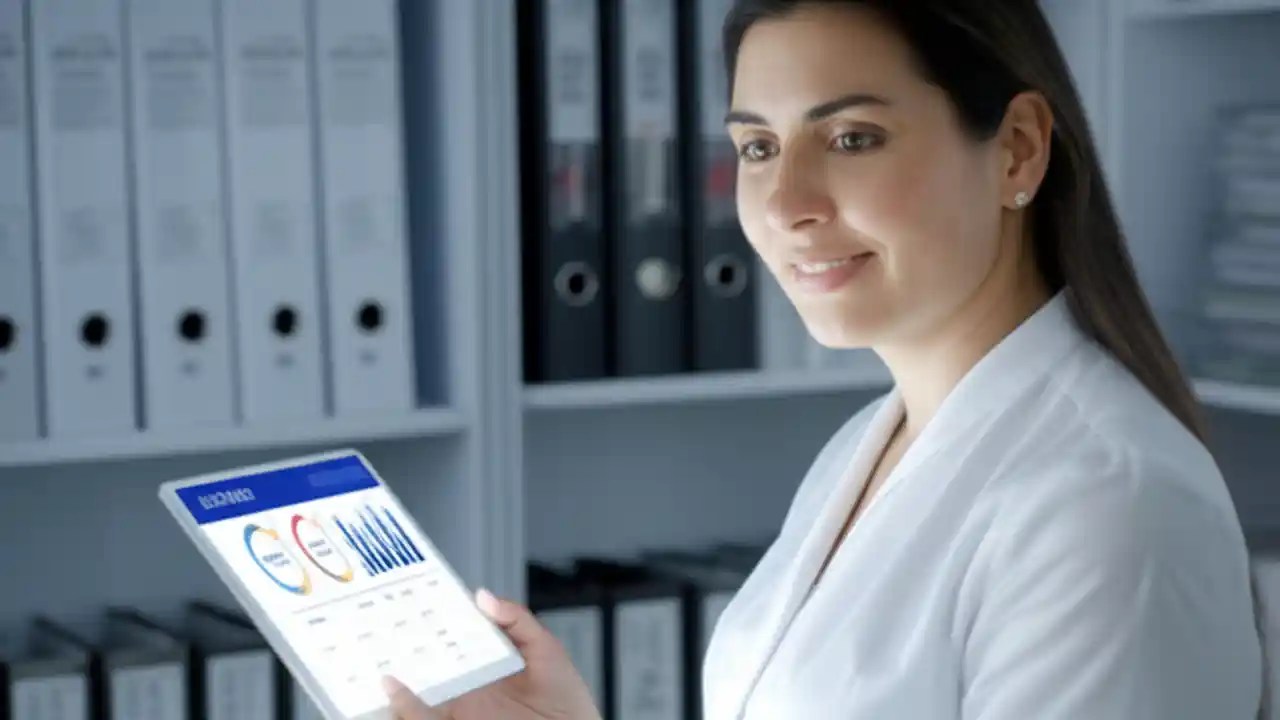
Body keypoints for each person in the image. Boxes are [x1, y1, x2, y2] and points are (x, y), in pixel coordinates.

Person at [383, 0, 1266, 717]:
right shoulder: (868, 445)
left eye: (851, 139)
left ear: (1017, 150)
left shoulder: (1105, 509)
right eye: (759, 148)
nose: (786, 204)